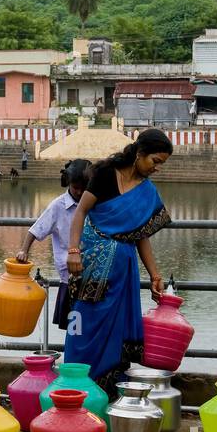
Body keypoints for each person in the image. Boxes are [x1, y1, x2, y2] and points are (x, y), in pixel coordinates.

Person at [65, 129, 174, 390]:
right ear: (139, 153)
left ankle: (109, 392)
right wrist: (73, 250)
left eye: (161, 164)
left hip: (123, 273)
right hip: (91, 266)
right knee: (83, 322)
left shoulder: (147, 192)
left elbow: (141, 235)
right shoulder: (104, 173)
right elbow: (80, 212)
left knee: (117, 327)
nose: (156, 168)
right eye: (155, 161)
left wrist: (155, 275)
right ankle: (76, 386)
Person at [16, 159, 91, 329]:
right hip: (70, 276)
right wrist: (24, 251)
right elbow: (35, 230)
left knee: (91, 326)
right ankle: (73, 355)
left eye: (83, 188)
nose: (79, 192)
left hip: (93, 273)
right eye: (75, 188)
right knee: (75, 327)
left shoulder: (94, 203)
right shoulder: (58, 206)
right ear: (68, 183)